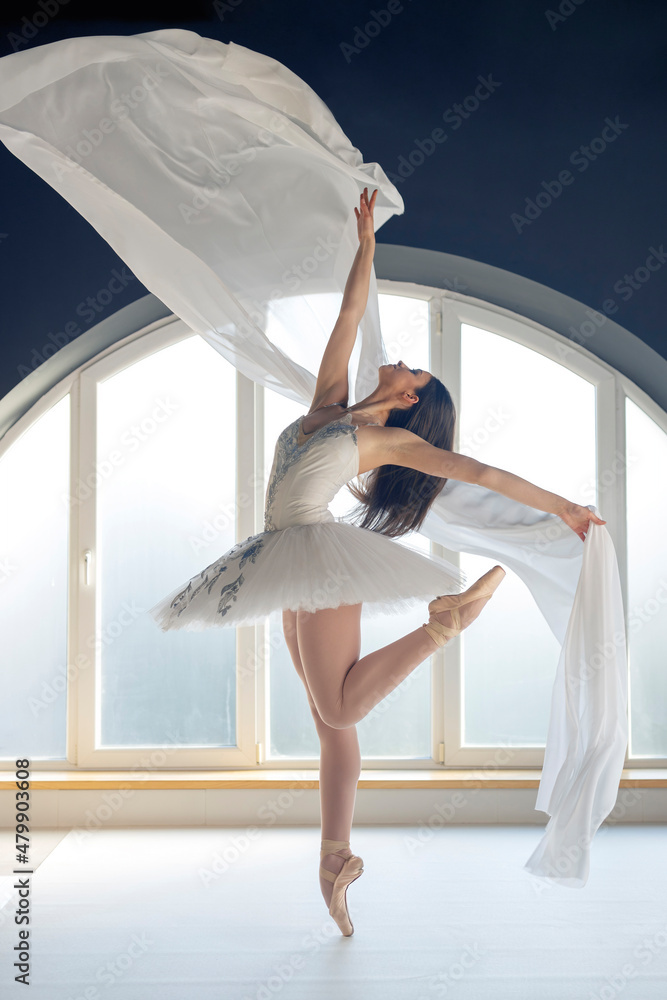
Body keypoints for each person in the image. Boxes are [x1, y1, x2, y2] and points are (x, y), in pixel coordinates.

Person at [150, 186, 605, 936]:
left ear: (406, 404)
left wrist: (561, 507)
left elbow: (482, 475)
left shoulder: (395, 443)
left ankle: (443, 625)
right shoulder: (328, 407)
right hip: (282, 552)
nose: (406, 364)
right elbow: (349, 315)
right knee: (329, 722)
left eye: (417, 376)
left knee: (339, 707)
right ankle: (335, 860)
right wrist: (366, 246)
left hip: (319, 556)